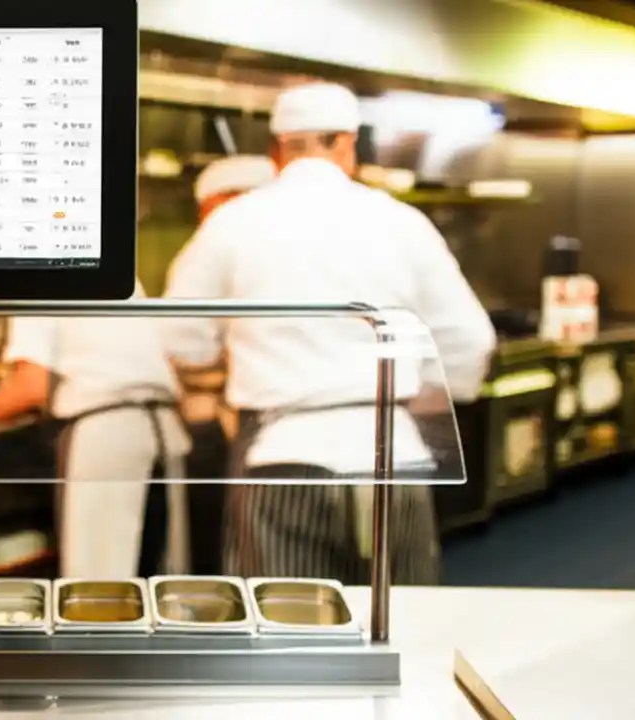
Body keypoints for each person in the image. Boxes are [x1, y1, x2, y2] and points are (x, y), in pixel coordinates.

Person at [164, 82, 496, 584]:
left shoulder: (232, 222)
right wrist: (417, 402)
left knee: (285, 637)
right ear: (347, 143)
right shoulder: (402, 221)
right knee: (403, 624)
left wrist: (228, 352)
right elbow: (470, 341)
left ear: (277, 150)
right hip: (392, 456)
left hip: (280, 458)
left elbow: (181, 336)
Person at [0, 280, 191, 578]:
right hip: (163, 428)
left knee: (97, 584)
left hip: (106, 433)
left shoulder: (38, 271)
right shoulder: (108, 266)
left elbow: (32, 385)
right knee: (160, 581)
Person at [175, 156, 277, 574]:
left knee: (242, 562)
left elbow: (183, 344)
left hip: (236, 429)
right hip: (242, 427)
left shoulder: (219, 242)